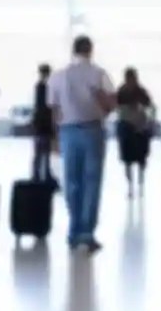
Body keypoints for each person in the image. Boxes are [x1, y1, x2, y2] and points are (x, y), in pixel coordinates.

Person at [48, 35, 116, 253]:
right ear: (90, 50)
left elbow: (54, 109)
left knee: (71, 181)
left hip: (67, 131)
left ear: (73, 50)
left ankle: (74, 229)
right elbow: (111, 104)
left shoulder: (58, 76)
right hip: (92, 129)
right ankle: (86, 233)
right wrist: (100, 104)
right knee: (91, 181)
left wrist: (55, 137)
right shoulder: (99, 74)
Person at [115, 67, 154, 197]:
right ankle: (131, 186)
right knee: (129, 159)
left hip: (137, 127)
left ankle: (139, 184)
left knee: (140, 158)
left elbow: (149, 106)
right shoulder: (122, 91)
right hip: (129, 127)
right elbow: (117, 108)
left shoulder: (139, 91)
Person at [32, 63, 56, 183]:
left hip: (40, 122)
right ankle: (43, 173)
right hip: (45, 122)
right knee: (44, 150)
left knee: (40, 150)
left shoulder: (39, 86)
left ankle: (37, 173)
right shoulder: (47, 87)